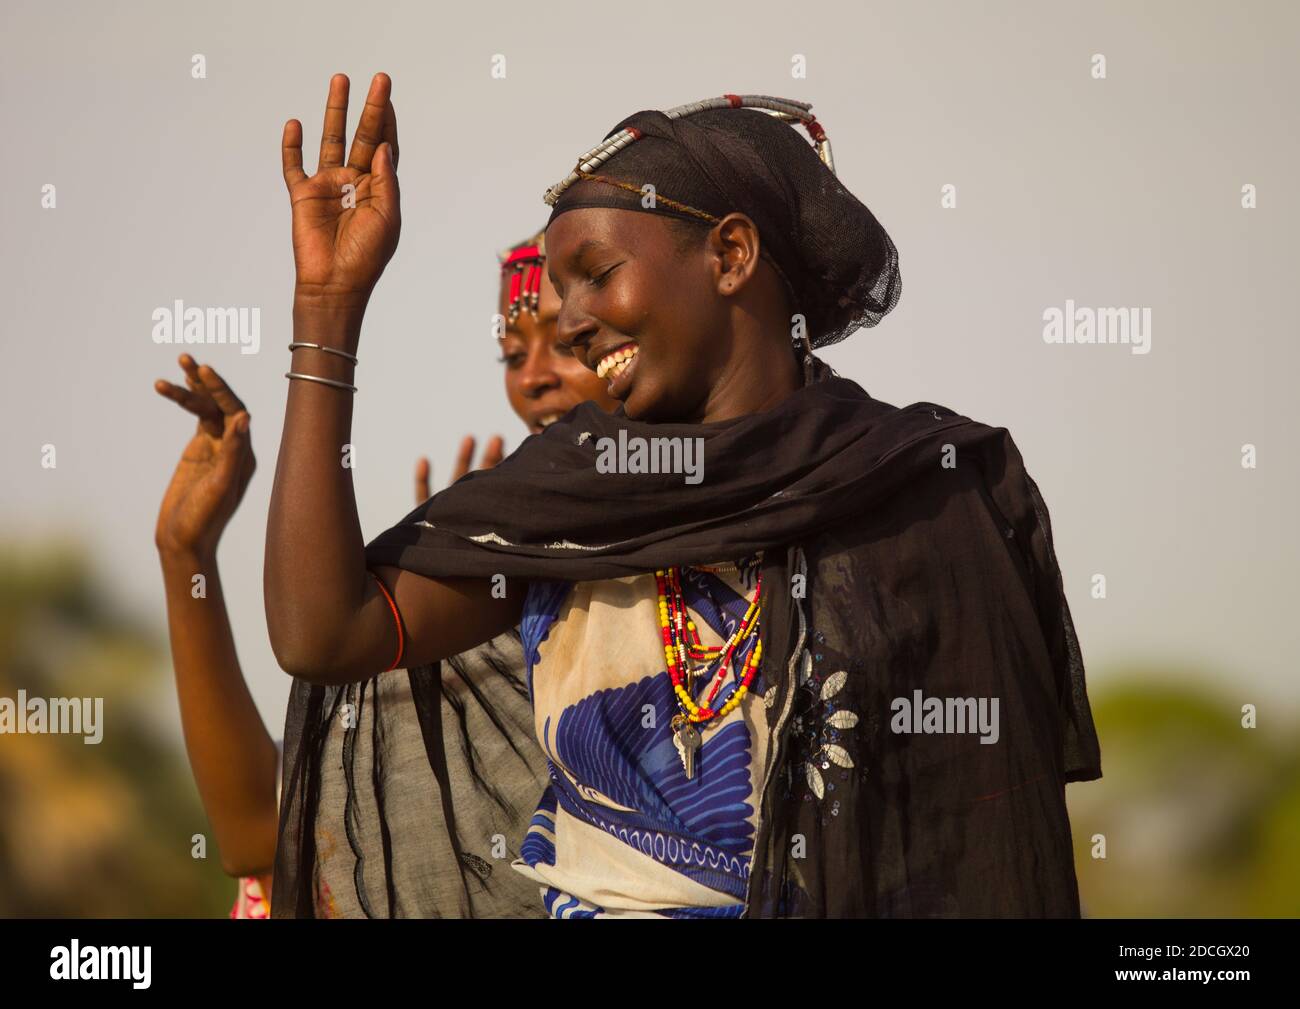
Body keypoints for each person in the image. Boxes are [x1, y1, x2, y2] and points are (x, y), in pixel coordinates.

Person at [269, 74, 1102, 917]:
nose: (568, 324)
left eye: (596, 274)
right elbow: (326, 630)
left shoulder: (928, 491)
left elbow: (992, 850)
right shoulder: (572, 492)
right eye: (562, 293)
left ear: (731, 255)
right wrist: (328, 307)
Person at [154, 230, 613, 916]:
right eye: (513, 353)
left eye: (570, 341)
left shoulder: (714, 565)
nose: (533, 375)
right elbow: (263, 836)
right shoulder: (498, 573)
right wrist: (185, 553)